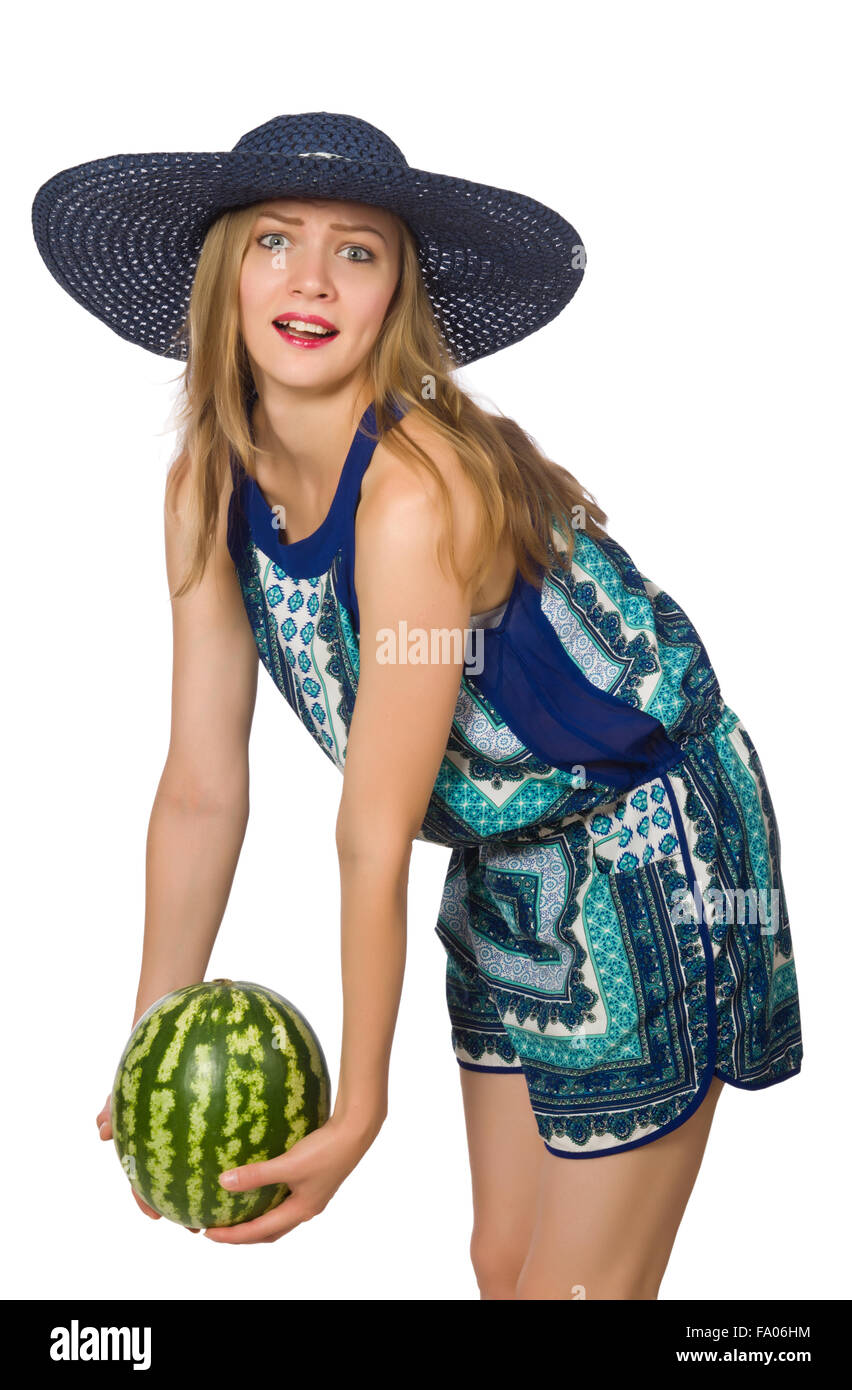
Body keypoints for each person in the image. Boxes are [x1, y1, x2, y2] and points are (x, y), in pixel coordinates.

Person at [32, 112, 803, 1299]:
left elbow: (372, 827)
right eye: (274, 240)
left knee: (581, 1294)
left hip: (654, 853)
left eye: (358, 251)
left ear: (396, 294)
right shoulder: (205, 485)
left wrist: (361, 1110)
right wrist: (152, 1054)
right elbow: (199, 787)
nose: (309, 279)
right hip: (504, 859)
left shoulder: (409, 498)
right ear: (221, 271)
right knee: (503, 1263)